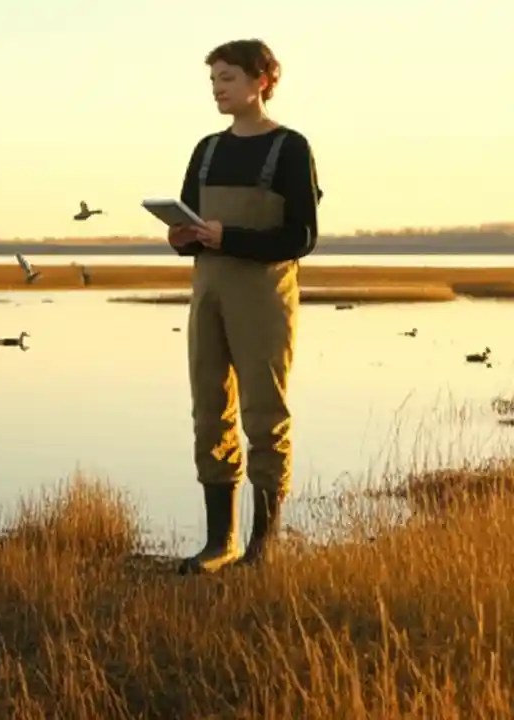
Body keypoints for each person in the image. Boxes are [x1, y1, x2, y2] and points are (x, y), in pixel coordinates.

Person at [168, 39, 323, 574]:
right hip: (207, 292)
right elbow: (191, 229)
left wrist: (226, 235)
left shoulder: (291, 148)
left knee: (264, 414)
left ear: (262, 79)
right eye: (213, 80)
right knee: (209, 410)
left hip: (263, 296)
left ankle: (261, 549)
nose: (217, 88)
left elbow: (301, 236)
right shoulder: (206, 149)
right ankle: (219, 544)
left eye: (228, 78)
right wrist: (182, 238)